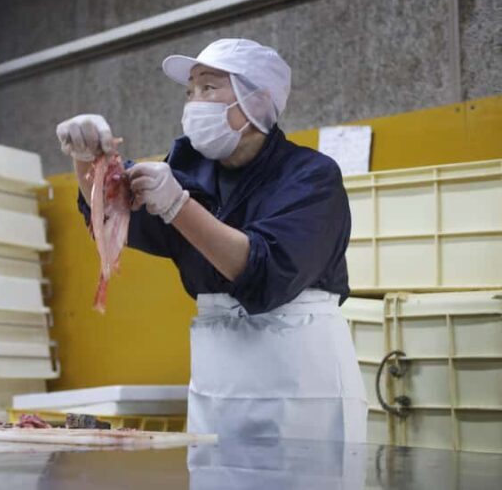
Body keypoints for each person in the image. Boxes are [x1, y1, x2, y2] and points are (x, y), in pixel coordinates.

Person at [55, 38, 367, 442]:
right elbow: (114, 213)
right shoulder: (188, 172)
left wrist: (178, 206)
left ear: (257, 100)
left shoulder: (310, 177)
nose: (194, 104)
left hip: (302, 388)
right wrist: (89, 161)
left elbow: (265, 273)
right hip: (219, 387)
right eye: (189, 92)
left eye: (209, 88)